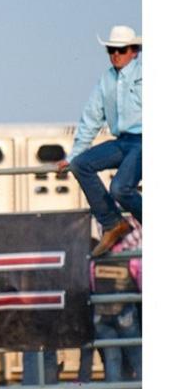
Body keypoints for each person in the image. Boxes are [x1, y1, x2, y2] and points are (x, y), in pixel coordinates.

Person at [57, 25, 142, 257]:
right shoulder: (106, 79)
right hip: (123, 141)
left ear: (134, 50)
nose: (115, 54)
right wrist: (73, 155)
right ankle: (113, 223)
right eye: (111, 50)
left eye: (121, 50)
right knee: (80, 164)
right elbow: (91, 118)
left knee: (120, 188)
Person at [91, 216, 142, 389]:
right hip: (124, 310)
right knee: (137, 356)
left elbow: (91, 284)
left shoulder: (94, 258)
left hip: (101, 313)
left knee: (112, 359)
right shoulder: (128, 255)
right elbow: (140, 280)